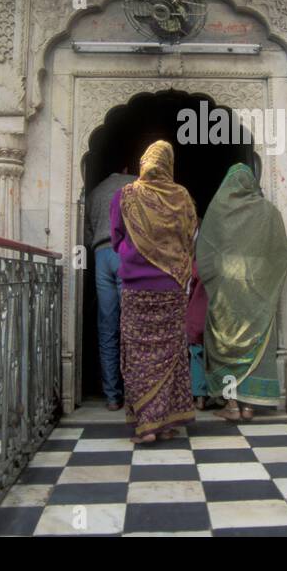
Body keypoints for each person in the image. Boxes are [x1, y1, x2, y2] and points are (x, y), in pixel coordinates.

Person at [110, 140, 197, 442]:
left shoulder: (126, 196)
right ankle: (167, 422)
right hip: (171, 286)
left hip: (136, 286)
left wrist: (134, 252)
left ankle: (148, 424)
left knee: (138, 355)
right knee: (171, 354)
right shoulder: (182, 197)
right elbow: (189, 237)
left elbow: (116, 237)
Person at [197, 162, 287, 421]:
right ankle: (250, 406)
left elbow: (205, 254)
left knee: (224, 344)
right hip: (259, 292)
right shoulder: (269, 212)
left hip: (226, 292)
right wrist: (268, 282)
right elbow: (281, 253)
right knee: (257, 343)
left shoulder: (218, 212)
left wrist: (214, 282)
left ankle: (232, 406)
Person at [85, 165, 135, 410]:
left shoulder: (94, 192)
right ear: (128, 167)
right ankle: (135, 391)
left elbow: (86, 234)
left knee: (108, 326)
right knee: (133, 324)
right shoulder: (136, 184)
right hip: (126, 253)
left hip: (101, 255)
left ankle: (113, 396)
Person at [187, 253, 212, 409]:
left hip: (196, 319)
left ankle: (199, 397)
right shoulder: (218, 264)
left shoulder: (195, 266)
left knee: (197, 356)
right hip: (215, 319)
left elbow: (188, 291)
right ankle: (220, 394)